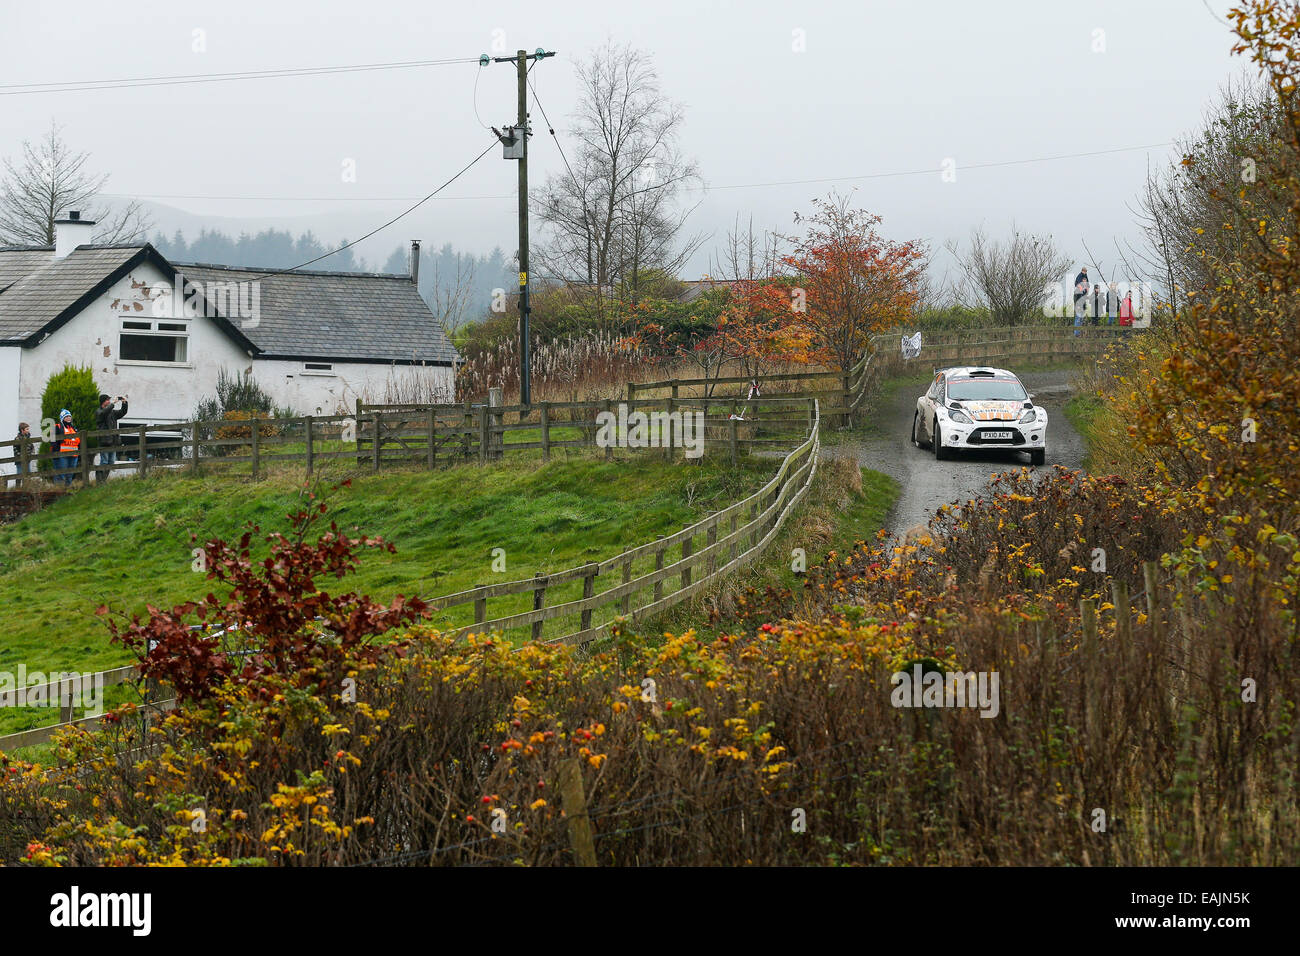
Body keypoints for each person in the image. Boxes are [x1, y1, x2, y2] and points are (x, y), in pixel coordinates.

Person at [94, 394, 128, 484]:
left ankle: (103, 481)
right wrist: (113, 403)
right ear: (103, 402)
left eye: (109, 400)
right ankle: (99, 480)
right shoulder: (98, 412)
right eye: (107, 400)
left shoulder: (112, 412)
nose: (109, 401)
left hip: (113, 441)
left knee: (111, 462)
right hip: (104, 441)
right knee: (104, 462)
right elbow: (104, 413)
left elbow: (122, 412)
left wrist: (124, 403)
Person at [51, 409, 80, 485]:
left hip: (74, 455)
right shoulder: (57, 427)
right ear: (62, 418)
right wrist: (56, 453)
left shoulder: (74, 428)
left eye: (69, 416)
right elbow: (53, 441)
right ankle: (59, 491)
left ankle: (68, 490)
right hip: (62, 456)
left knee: (70, 475)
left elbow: (79, 441)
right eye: (66, 417)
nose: (68, 418)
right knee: (61, 475)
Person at [1072, 267, 1089, 335]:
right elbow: (1076, 299)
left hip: (1082, 306)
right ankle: (1076, 334)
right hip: (1078, 307)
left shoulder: (1084, 291)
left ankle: (1078, 333)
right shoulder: (1077, 290)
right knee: (1078, 319)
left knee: (1081, 319)